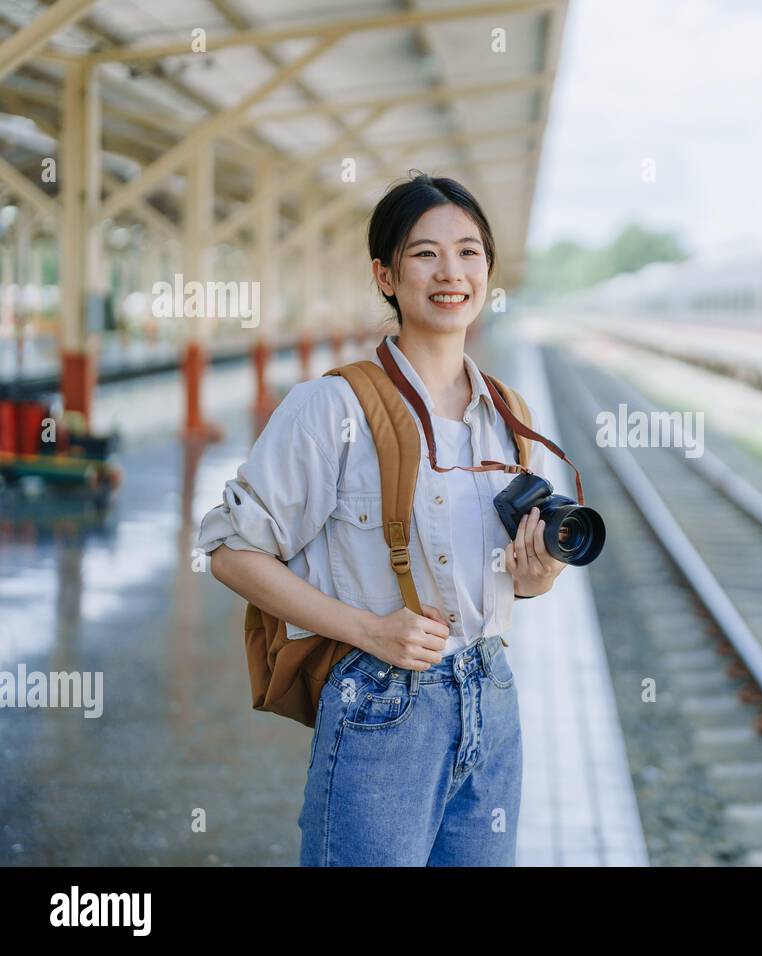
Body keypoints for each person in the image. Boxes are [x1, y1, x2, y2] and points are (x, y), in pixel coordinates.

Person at [196, 172, 567, 866]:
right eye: (425, 254)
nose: (451, 272)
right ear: (386, 275)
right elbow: (229, 551)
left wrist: (536, 576)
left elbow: (514, 585)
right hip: (382, 705)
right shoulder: (331, 408)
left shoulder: (509, 414)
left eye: (469, 252)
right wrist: (371, 630)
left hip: (492, 695)